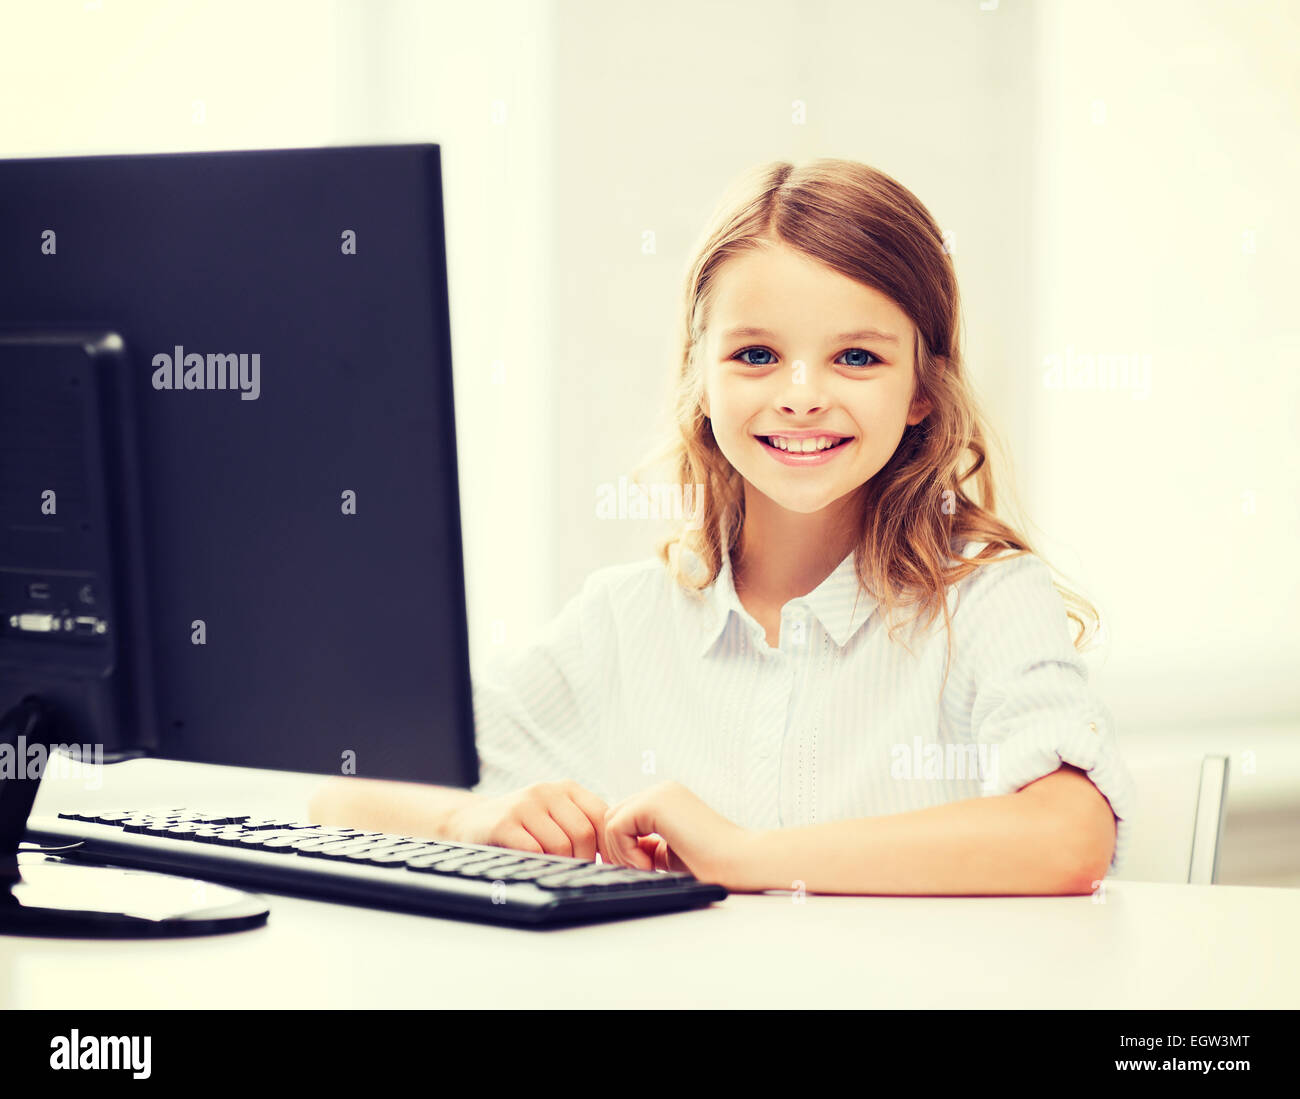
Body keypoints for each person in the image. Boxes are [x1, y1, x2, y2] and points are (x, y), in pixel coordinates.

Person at [310, 158, 1136, 896]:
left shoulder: (987, 602)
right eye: (755, 355)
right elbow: (342, 787)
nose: (802, 394)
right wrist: (474, 824)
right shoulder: (625, 623)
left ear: (923, 389)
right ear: (699, 377)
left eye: (857, 357)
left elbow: (1070, 837)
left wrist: (745, 855)